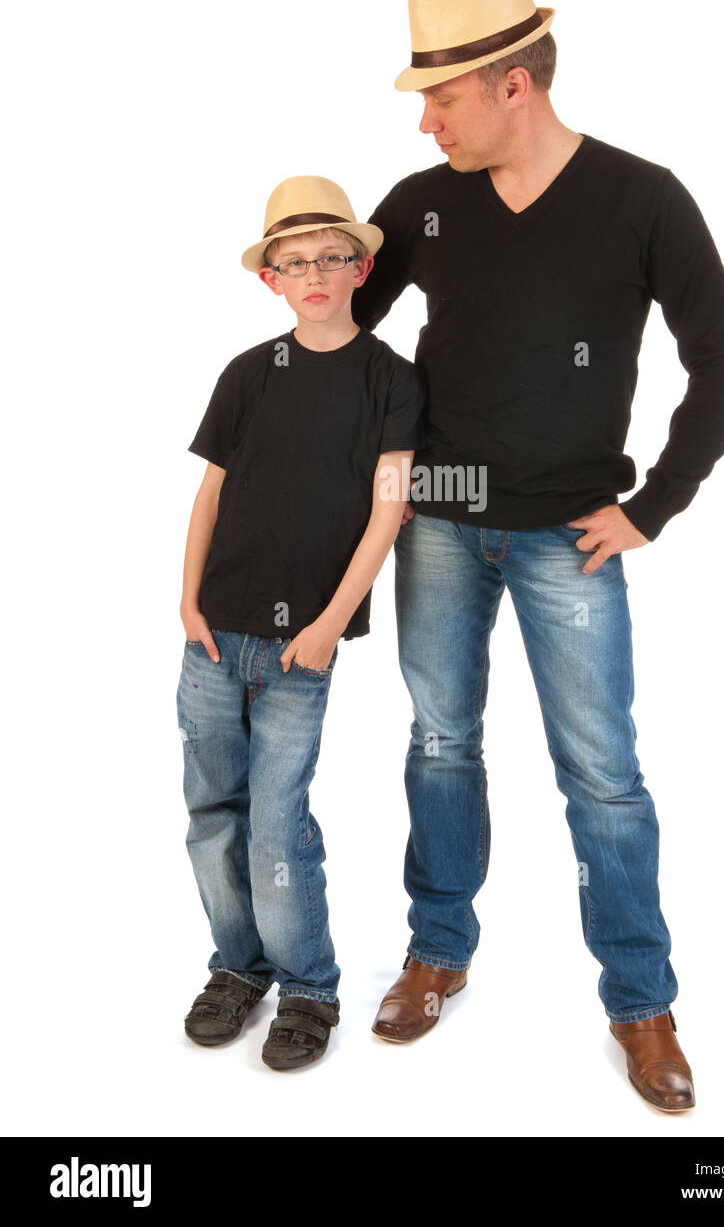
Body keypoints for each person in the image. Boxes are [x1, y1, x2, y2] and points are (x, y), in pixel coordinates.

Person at [351, 0, 724, 1111]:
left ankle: (641, 1007)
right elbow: (346, 336)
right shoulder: (422, 203)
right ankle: (437, 952)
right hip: (437, 520)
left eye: (442, 99)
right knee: (439, 742)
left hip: (568, 539)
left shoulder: (642, 199)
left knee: (603, 776)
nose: (424, 121)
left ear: (512, 86)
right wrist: (310, 252)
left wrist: (652, 504)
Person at [177, 175, 425, 1070]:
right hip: (213, 635)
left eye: (330, 258)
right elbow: (211, 493)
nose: (313, 274)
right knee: (214, 811)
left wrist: (330, 623)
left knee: (279, 821)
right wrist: (187, 598)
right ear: (270, 280)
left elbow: (389, 509)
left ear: (361, 267)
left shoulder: (392, 381)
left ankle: (308, 986)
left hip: (301, 644)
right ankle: (237, 968)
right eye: (294, 262)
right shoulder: (249, 373)